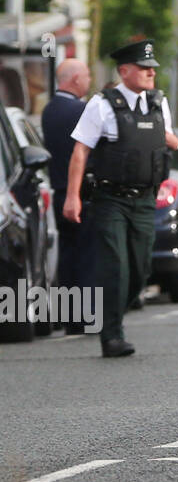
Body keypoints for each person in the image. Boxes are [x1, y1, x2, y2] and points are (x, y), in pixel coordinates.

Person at [63, 40, 178, 357]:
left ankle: (113, 317)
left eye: (153, 68)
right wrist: (72, 197)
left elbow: (170, 139)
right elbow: (80, 152)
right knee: (116, 265)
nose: (151, 73)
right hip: (110, 198)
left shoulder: (158, 102)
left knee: (141, 269)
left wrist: (165, 138)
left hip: (145, 198)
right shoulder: (102, 105)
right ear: (125, 70)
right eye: (144, 68)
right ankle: (112, 335)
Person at [41, 59, 93, 334]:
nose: (89, 80)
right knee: (87, 255)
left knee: (67, 255)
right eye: (86, 75)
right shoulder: (82, 110)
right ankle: (86, 317)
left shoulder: (49, 110)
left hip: (60, 191)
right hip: (82, 193)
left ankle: (69, 316)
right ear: (74, 80)